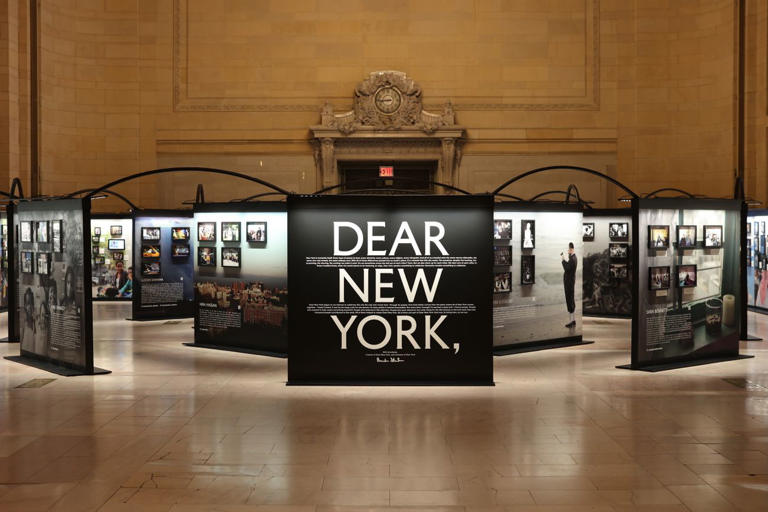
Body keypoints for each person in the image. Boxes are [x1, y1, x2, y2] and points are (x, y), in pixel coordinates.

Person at [562, 242, 577, 328]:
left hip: (569, 283)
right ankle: (573, 320)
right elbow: (569, 267)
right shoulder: (574, 258)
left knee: (569, 300)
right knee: (571, 300)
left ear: (571, 249)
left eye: (568, 249)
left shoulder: (572, 259)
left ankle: (571, 322)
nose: (568, 251)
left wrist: (563, 260)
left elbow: (567, 268)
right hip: (571, 282)